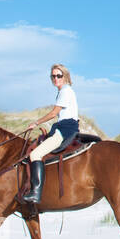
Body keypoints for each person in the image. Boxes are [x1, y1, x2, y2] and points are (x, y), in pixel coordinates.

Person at [22, 63, 80, 204]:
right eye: (53, 76)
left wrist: (36, 123)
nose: (55, 78)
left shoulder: (66, 91)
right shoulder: (64, 91)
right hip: (65, 126)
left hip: (65, 128)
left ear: (65, 76)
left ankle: (36, 193)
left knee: (35, 154)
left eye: (59, 75)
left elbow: (54, 113)